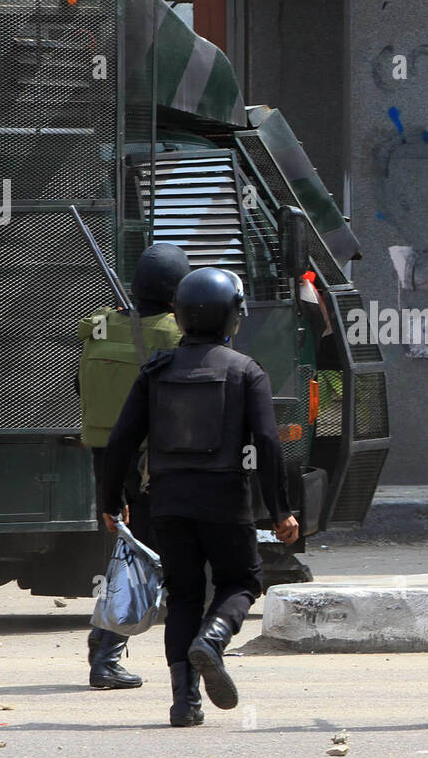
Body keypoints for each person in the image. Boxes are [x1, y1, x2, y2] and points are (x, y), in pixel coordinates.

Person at [100, 267, 299, 727]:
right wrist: (281, 511)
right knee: (242, 582)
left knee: (185, 595)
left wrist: (112, 501)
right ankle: (212, 640)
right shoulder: (246, 371)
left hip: (168, 499)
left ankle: (184, 703)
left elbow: (121, 442)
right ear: (232, 316)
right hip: (225, 500)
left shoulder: (157, 370)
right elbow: (268, 443)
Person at [78, 242, 190, 690]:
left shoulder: (99, 326)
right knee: (139, 557)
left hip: (105, 456)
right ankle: (105, 656)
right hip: (147, 462)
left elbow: (80, 384)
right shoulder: (173, 334)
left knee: (128, 550)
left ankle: (102, 644)